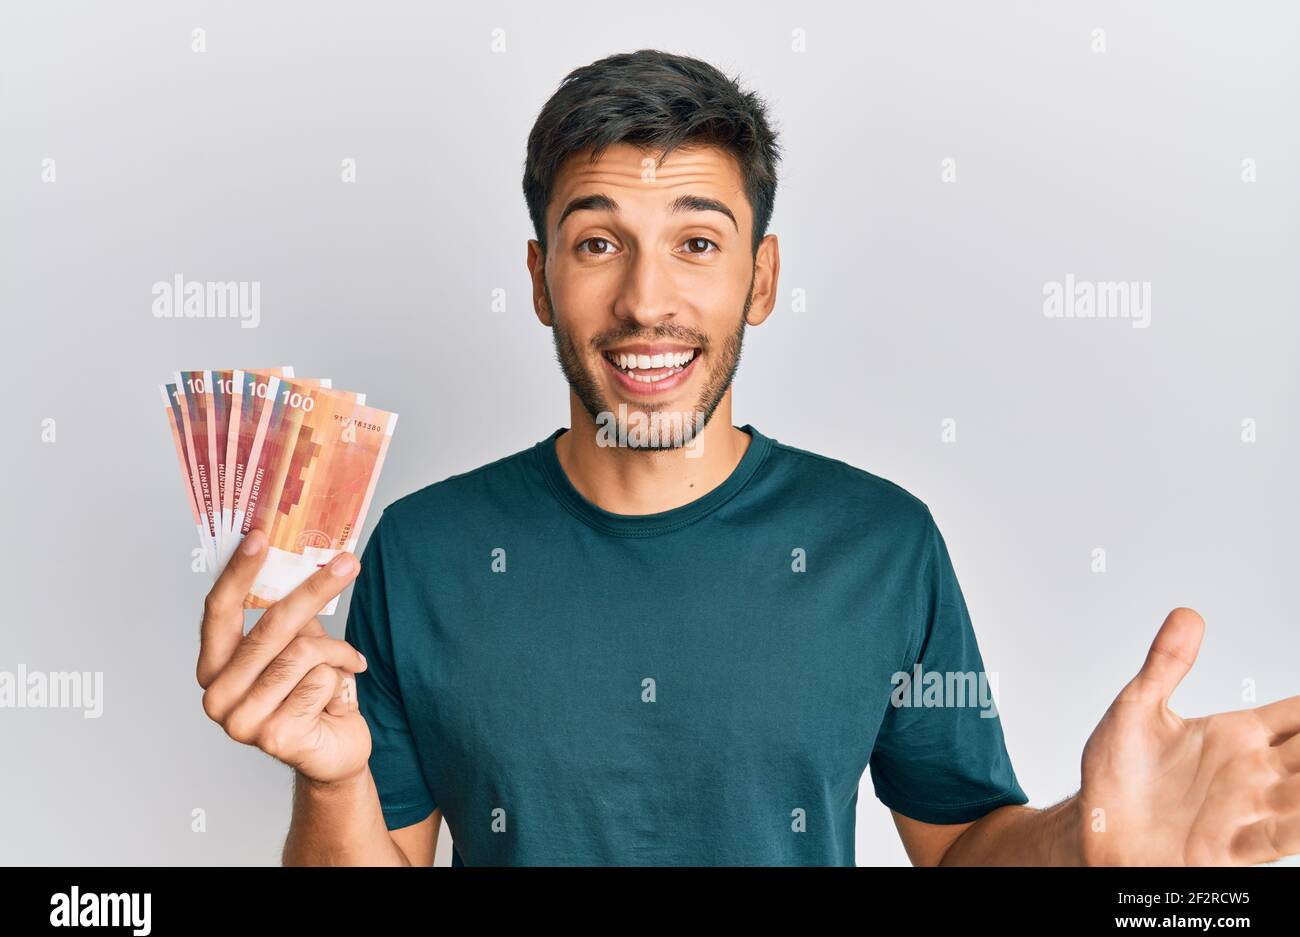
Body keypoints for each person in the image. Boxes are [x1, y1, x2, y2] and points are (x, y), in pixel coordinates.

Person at [196, 49, 1300, 867]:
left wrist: (1088, 837)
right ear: (538, 278)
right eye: (597, 243)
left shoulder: (880, 542)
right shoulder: (425, 548)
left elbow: (962, 847)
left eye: (695, 242)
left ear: (759, 280)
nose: (644, 300)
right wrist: (329, 780)